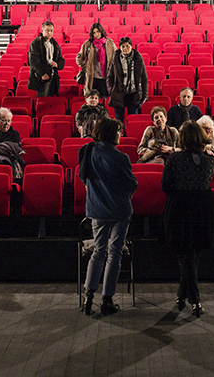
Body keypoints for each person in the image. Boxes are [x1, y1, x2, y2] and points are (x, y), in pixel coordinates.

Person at [80, 118, 138, 316]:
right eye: (119, 131)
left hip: (97, 209)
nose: (120, 135)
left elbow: (83, 178)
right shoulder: (120, 157)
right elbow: (132, 184)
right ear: (111, 133)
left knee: (98, 251)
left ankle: (88, 297)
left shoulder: (87, 151)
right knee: (114, 254)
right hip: (119, 210)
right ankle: (107, 299)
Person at [162, 121, 214, 317]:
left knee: (185, 254)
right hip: (202, 206)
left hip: (180, 206)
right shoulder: (210, 159)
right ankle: (182, 294)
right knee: (193, 254)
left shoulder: (175, 159)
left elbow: (165, 185)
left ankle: (193, 298)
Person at [107, 37, 147, 122]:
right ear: (120, 48)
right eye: (123, 46)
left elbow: (144, 78)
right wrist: (111, 91)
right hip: (119, 93)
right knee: (119, 121)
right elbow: (109, 77)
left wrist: (144, 95)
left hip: (133, 94)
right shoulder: (116, 59)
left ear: (131, 46)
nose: (125, 48)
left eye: (127, 46)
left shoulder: (138, 59)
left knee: (133, 119)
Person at [76, 22, 117, 97]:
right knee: (93, 99)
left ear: (101, 31)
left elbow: (117, 57)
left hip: (106, 76)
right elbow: (79, 57)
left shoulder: (110, 43)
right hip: (93, 77)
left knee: (105, 98)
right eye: (94, 33)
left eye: (98, 32)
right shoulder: (88, 44)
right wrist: (86, 65)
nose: (96, 34)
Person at [28, 21, 65, 97]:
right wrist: (42, 73)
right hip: (41, 76)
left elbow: (61, 59)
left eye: (51, 30)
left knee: (50, 99)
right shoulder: (35, 43)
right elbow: (33, 61)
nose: (49, 32)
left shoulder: (55, 44)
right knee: (42, 99)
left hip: (53, 74)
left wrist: (57, 64)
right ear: (42, 31)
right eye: (47, 30)